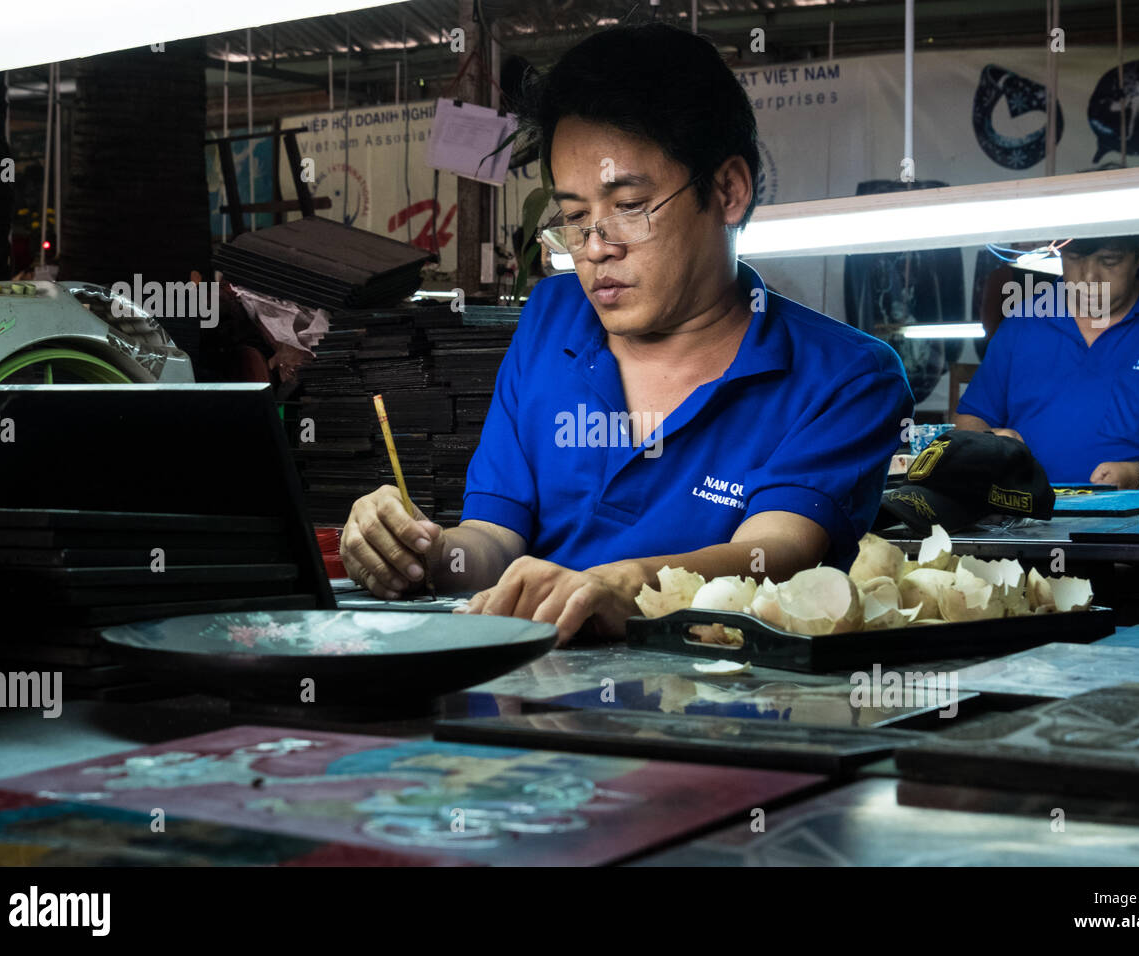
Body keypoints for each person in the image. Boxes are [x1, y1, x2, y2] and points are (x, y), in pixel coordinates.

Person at [340, 23, 913, 644]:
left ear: (728, 191)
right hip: (535, 698)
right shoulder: (552, 318)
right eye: (575, 217)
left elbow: (775, 554)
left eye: (630, 206)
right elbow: (494, 539)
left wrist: (622, 588)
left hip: (724, 713)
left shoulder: (846, 376)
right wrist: (421, 553)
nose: (595, 248)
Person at [954, 234, 1139, 489]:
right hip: (1025, 521)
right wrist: (989, 442)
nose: (1088, 276)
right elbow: (970, 418)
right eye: (1074, 258)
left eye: (1109, 260)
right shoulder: (1024, 321)